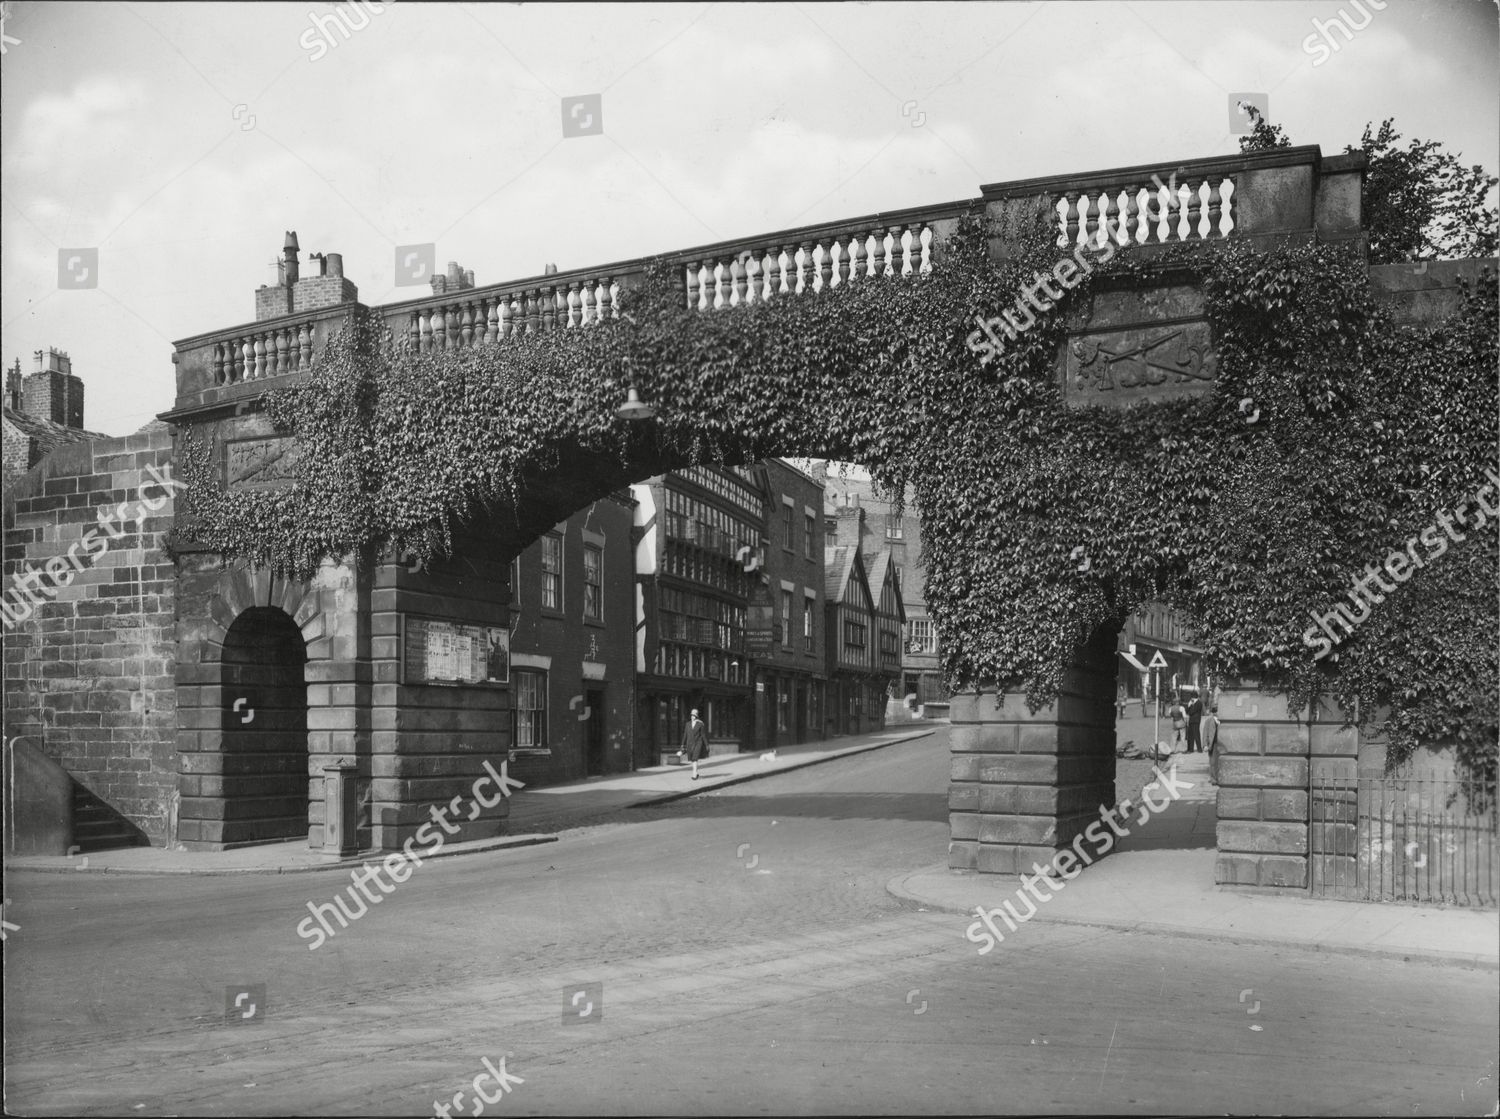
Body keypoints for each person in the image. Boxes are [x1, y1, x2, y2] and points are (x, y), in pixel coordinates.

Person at [678, 708, 709, 780]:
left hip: (698, 743)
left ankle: (694, 774)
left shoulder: (700, 724)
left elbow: (703, 735)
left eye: (694, 715)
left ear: (697, 716)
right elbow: (685, 735)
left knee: (695, 758)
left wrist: (706, 744)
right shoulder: (687, 724)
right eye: (692, 715)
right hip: (689, 744)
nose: (693, 717)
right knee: (692, 759)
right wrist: (682, 744)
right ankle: (696, 772)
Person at [1201, 703, 1221, 783]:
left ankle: (1219, 777)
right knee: (1213, 762)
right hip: (1213, 744)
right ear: (1214, 712)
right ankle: (1213, 778)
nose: (1218, 713)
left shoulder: (1223, 720)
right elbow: (1205, 733)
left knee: (1220, 761)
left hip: (1221, 743)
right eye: (1216, 711)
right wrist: (1205, 745)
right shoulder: (1209, 721)